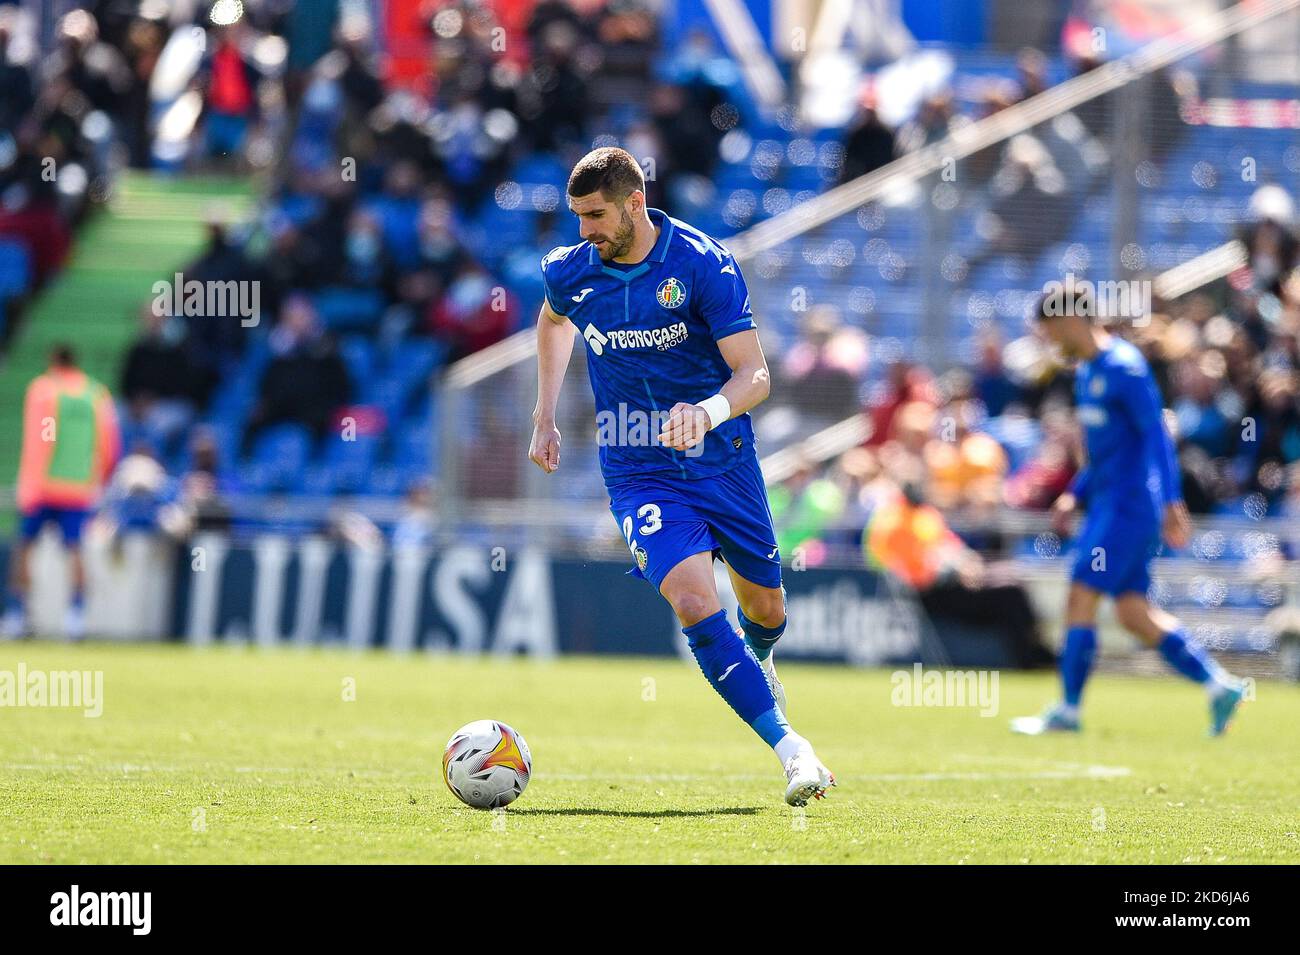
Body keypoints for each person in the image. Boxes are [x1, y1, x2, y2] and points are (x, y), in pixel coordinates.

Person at [528, 147, 835, 806]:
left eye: (595, 215)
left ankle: (763, 658)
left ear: (634, 203)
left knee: (766, 608)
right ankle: (792, 748)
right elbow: (554, 324)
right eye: (577, 215)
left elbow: (755, 373)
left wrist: (707, 410)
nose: (583, 230)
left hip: (722, 461)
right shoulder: (571, 272)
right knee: (695, 600)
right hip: (638, 469)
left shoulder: (701, 264)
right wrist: (545, 414)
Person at [1011, 290, 1246, 736]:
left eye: (1051, 329)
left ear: (1071, 320)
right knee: (1133, 612)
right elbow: (1101, 451)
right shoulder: (1088, 371)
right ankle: (1220, 686)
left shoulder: (1124, 367)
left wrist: (1173, 502)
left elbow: (1156, 435)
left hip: (1130, 505)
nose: (1049, 339)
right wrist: (1074, 494)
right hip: (1107, 502)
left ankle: (1068, 710)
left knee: (1080, 594)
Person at [5, 344, 121, 638]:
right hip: (79, 488)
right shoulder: (96, 394)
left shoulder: (44, 389)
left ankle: (18, 615)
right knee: (75, 550)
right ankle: (76, 617)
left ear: (53, 361)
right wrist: (101, 477)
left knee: (24, 548)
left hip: (44, 486)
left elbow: (41, 437)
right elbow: (109, 443)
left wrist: (29, 484)